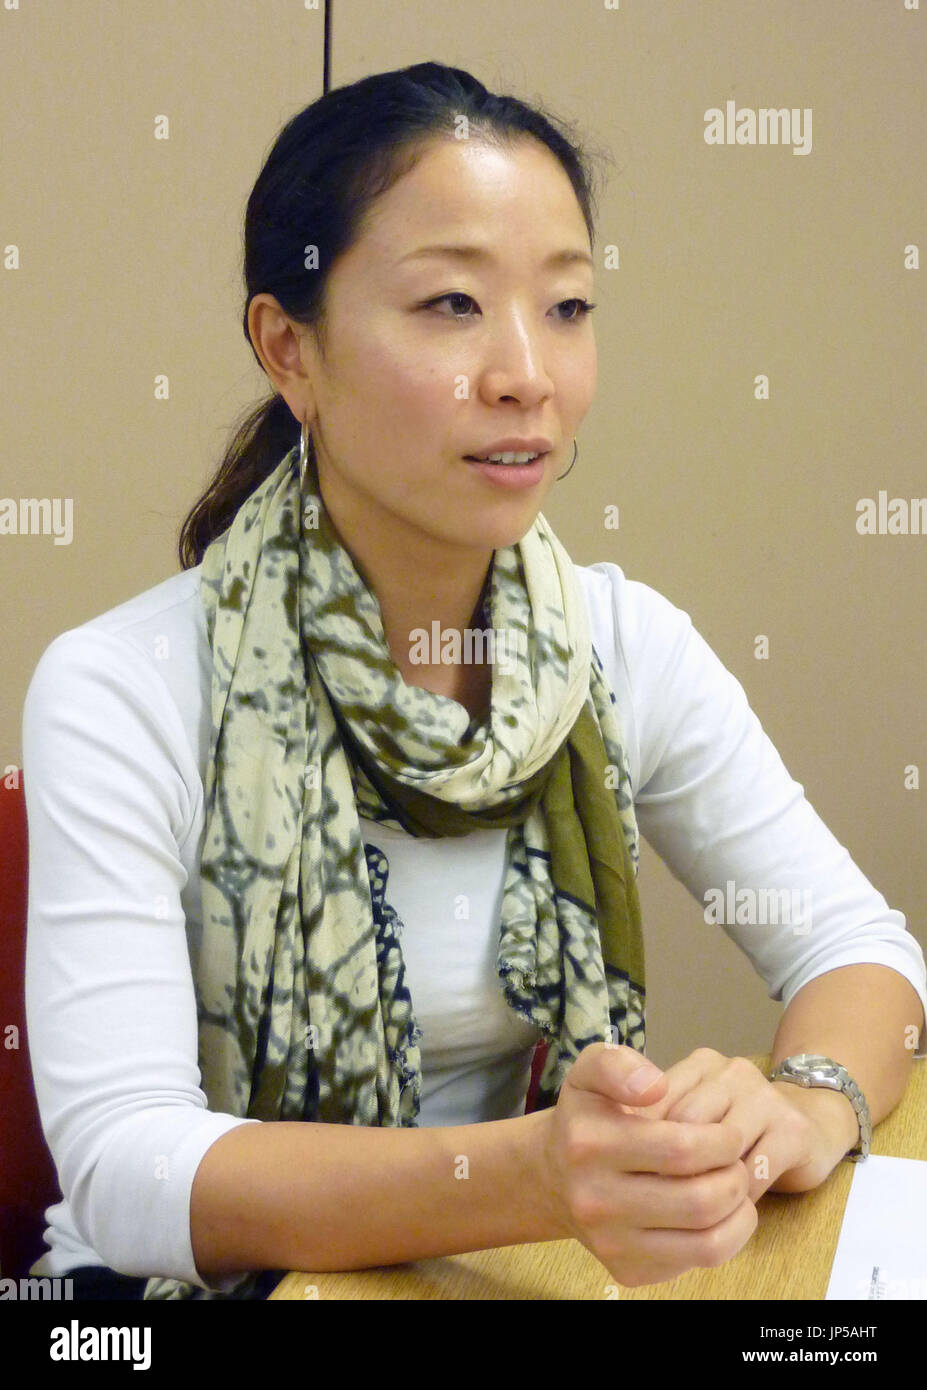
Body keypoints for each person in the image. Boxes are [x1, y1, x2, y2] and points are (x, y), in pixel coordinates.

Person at [21, 61, 926, 1302]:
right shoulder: (125, 685)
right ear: (291, 348)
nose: (526, 375)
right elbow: (125, 1169)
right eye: (451, 303)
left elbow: (859, 947)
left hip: (494, 1271)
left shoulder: (619, 644)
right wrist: (537, 1175)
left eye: (565, 307)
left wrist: (801, 1108)